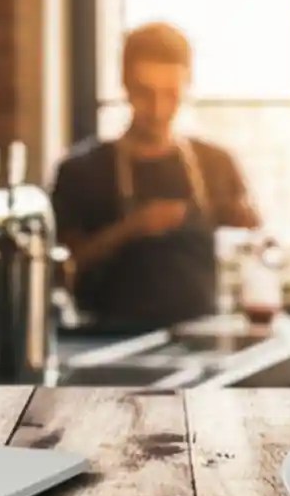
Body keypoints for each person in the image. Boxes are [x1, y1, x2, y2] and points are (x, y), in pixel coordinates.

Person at [51, 21, 262, 331]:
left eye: (171, 94)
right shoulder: (80, 171)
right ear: (125, 86)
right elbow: (62, 269)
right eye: (144, 94)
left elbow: (256, 243)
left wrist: (246, 223)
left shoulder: (217, 163)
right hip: (105, 339)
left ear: (188, 84)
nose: (158, 109)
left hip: (204, 336)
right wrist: (130, 229)